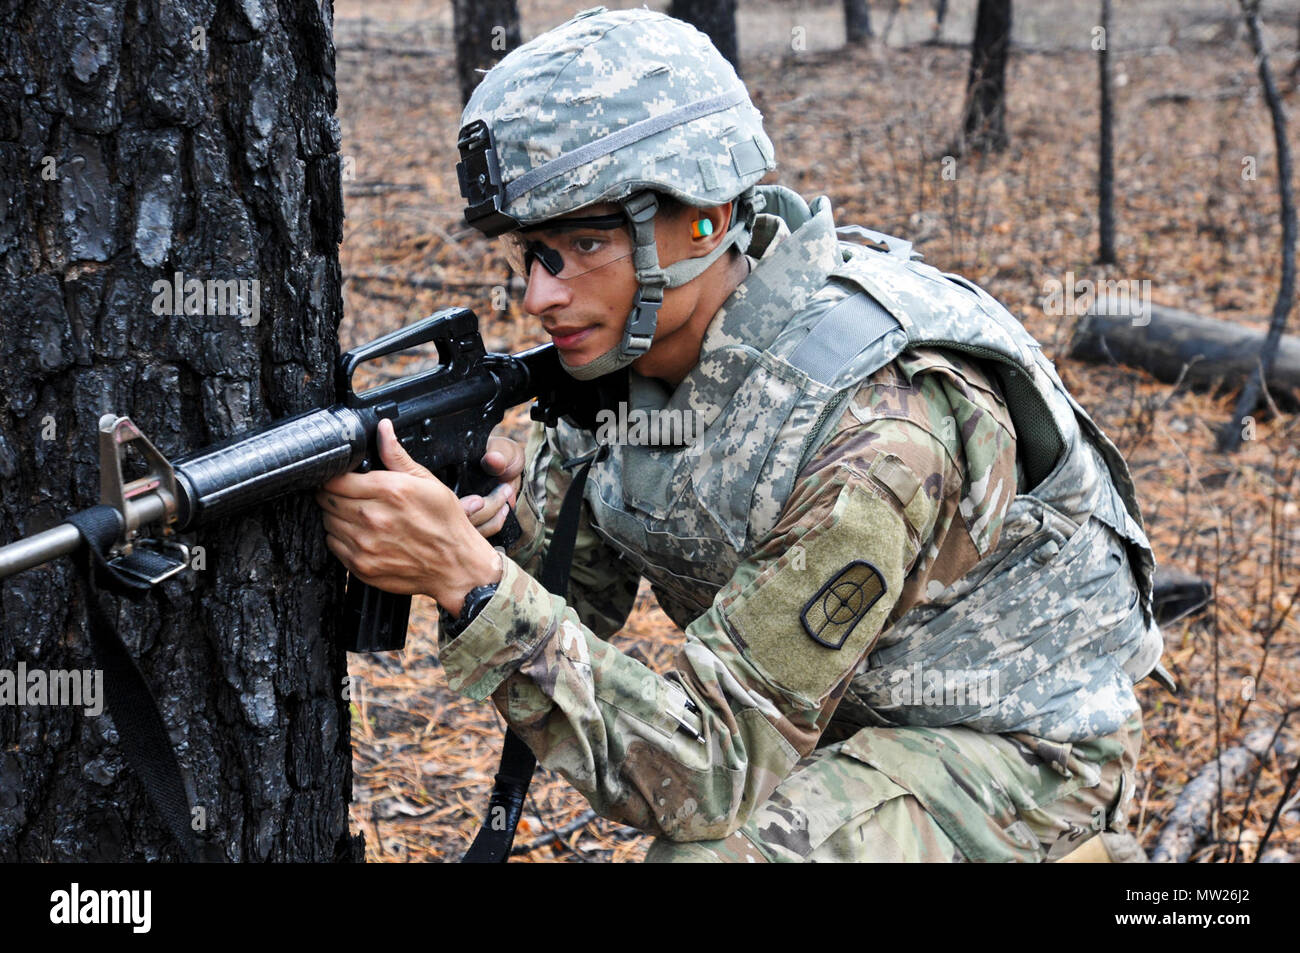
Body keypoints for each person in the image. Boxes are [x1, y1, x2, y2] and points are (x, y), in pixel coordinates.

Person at [317, 7, 1168, 862]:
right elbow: (582, 605)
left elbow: (702, 773)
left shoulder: (881, 425)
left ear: (707, 217)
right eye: (532, 253)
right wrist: (499, 532)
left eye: (583, 243)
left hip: (1015, 757)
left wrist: (472, 582)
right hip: (826, 721)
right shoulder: (628, 359)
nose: (538, 297)